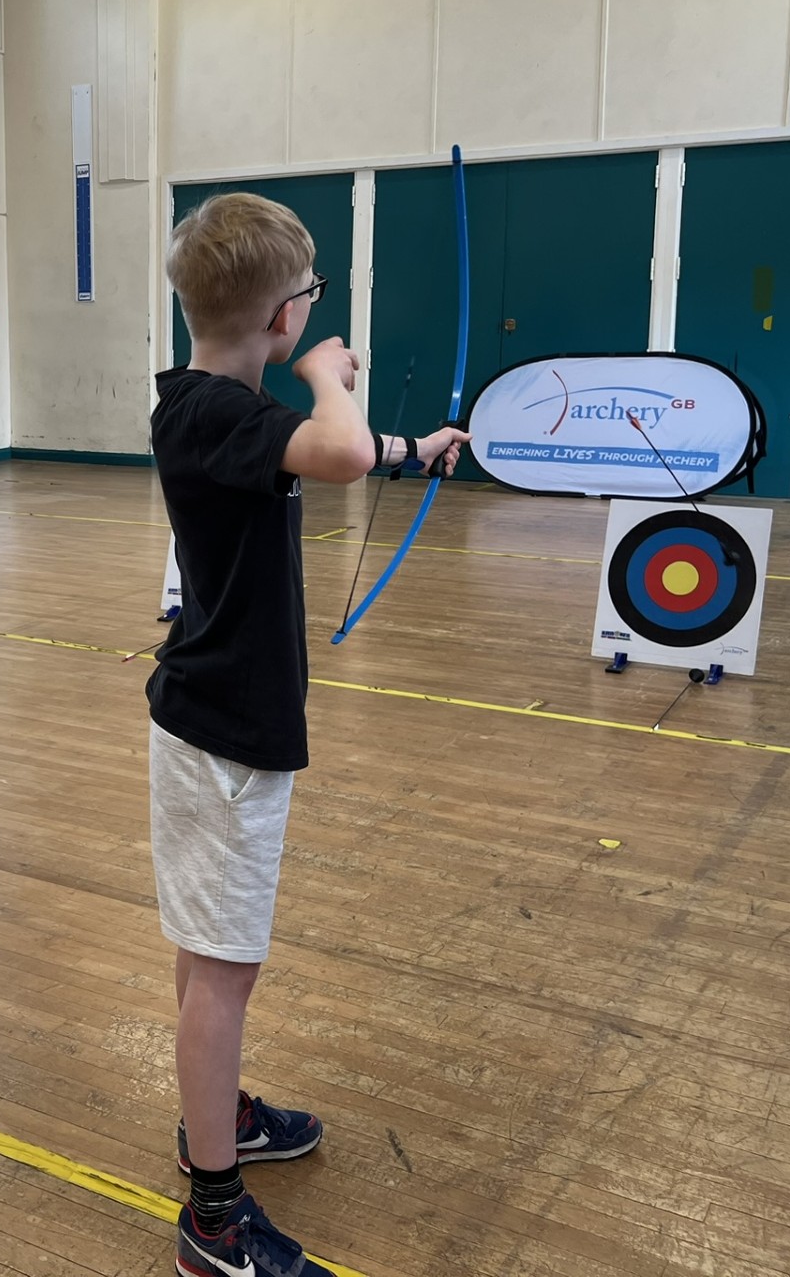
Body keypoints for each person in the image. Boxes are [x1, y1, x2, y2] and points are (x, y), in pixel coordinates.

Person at [149, 193, 466, 1277]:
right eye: (310, 303)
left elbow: (333, 451)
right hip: (226, 736)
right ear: (281, 320)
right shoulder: (215, 417)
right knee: (222, 969)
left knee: (207, 952)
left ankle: (217, 1116)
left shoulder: (212, 411)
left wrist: (414, 445)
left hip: (215, 726)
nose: (313, 322)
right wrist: (328, 373)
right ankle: (213, 1214)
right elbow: (328, 448)